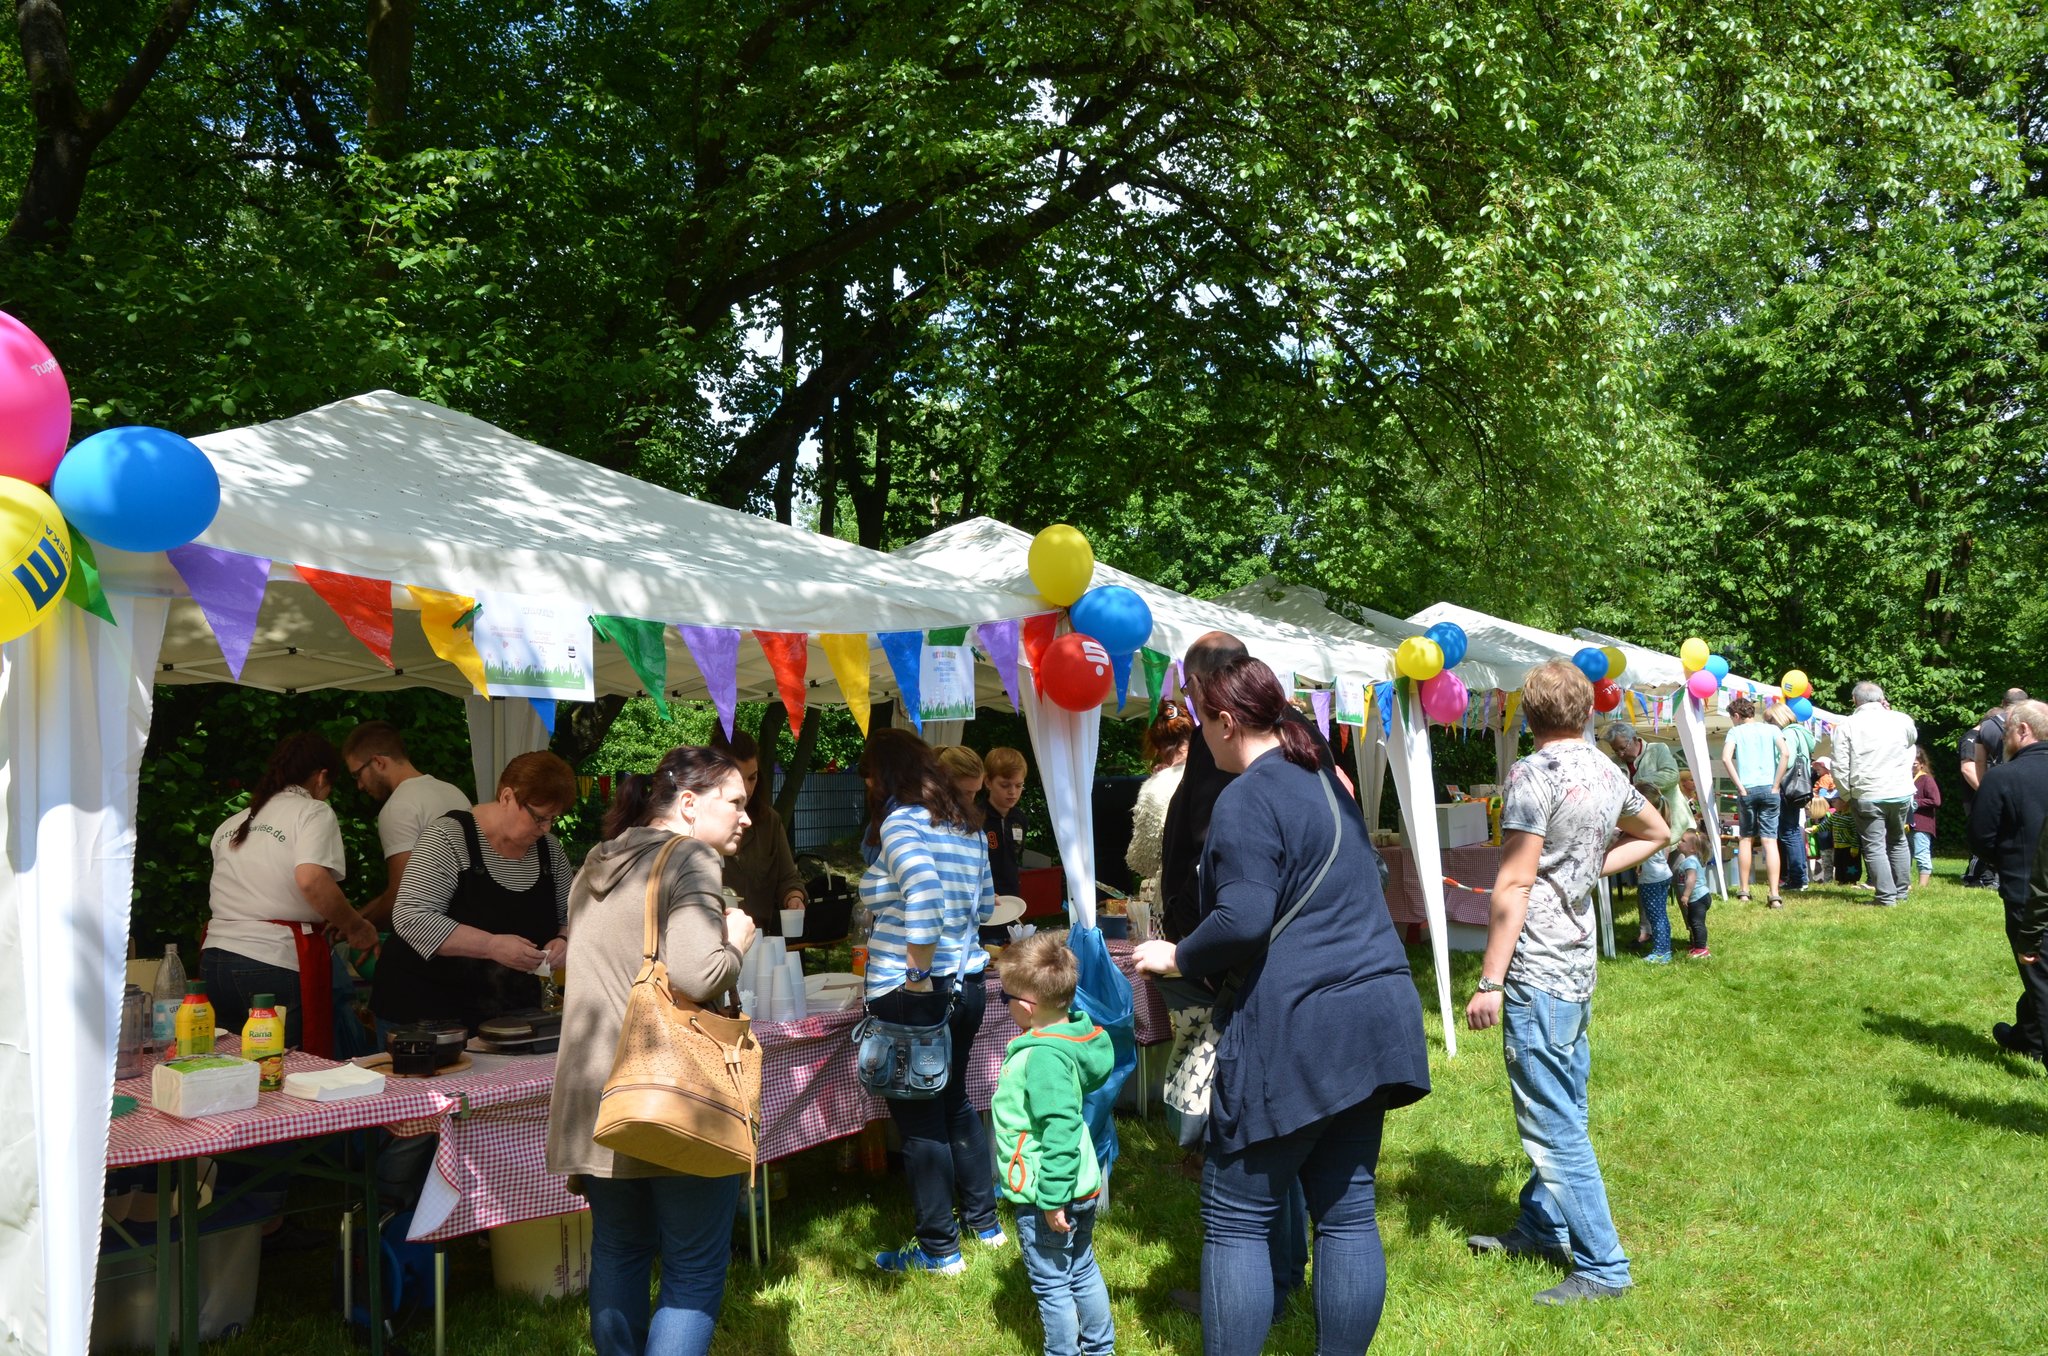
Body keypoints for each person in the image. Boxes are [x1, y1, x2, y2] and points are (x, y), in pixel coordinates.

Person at [1133, 654, 1430, 1352]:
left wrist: (1177, 954)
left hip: (1299, 1028)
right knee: (1348, 1212)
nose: (1197, 734)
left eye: (1201, 720)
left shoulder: (1245, 797)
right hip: (1376, 1017)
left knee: (1235, 1219)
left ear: (1227, 720)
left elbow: (1243, 919)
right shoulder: (1324, 778)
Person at [1463, 659, 1669, 1306]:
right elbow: (1659, 832)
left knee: (1554, 1124)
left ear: (1528, 713)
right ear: (1585, 712)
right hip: (1577, 968)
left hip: (1539, 967)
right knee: (1564, 1104)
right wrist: (1586, 868)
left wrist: (1489, 980)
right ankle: (1540, 1226)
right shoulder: (1608, 769)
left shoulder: (1533, 773)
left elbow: (1517, 882)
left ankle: (1604, 1267)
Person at [546, 746, 761, 1356]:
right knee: (692, 1266)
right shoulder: (690, 858)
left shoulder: (599, 856)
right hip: (672, 1089)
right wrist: (736, 941)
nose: (746, 816)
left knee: (620, 1247)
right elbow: (698, 974)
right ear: (689, 804)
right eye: (736, 802)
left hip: (598, 1090)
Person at [859, 728, 1003, 1274]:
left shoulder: (902, 822)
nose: (869, 785)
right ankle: (984, 1223)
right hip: (967, 983)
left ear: (887, 774)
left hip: (914, 987)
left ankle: (940, 1249)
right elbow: (986, 903)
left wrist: (917, 973)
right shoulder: (965, 826)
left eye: (870, 775)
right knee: (954, 1103)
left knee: (918, 1122)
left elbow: (923, 894)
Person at [371, 751, 576, 1034]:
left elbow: (571, 915)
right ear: (507, 797)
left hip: (506, 1014)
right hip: (424, 1013)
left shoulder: (550, 852)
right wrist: (492, 946)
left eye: (553, 818)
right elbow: (411, 917)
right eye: (539, 818)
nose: (546, 828)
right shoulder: (448, 838)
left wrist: (563, 939)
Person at [203, 732, 379, 1055]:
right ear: (322, 776)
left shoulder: (233, 822)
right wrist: (357, 927)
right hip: (270, 964)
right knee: (285, 1072)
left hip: (215, 959)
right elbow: (311, 879)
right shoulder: (311, 812)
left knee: (233, 1069)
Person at [991, 931, 1116, 1356]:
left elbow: (1060, 1127)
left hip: (1050, 1188)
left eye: (1005, 997)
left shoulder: (1043, 1056)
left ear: (1026, 1006)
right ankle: (1100, 1349)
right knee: (1081, 1266)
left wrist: (1050, 1198)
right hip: (1079, 1182)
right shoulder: (1069, 1039)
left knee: (1052, 1283)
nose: (1004, 1004)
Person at [1966, 700, 2048, 1063]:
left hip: (2027, 891)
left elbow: (1981, 838)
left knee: (2040, 975)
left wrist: (2008, 863)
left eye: (2009, 731)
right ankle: (2026, 1038)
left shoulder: (2003, 776)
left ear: (2023, 730)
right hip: (2028, 886)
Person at [342, 721, 471, 929]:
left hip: (433, 931)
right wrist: (358, 916)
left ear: (378, 762)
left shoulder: (398, 807)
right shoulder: (453, 792)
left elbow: (401, 895)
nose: (359, 785)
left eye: (357, 774)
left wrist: (360, 931)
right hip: (469, 923)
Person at [1604, 722, 1690, 961]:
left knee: (1683, 882)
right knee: (1648, 886)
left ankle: (1694, 934)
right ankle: (1647, 933)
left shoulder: (1658, 749)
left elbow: (1671, 776)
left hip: (1674, 826)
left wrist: (1634, 786)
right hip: (1642, 831)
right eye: (1616, 750)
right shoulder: (1614, 762)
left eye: (1622, 748)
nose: (1620, 754)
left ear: (1634, 739)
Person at [709, 731, 807, 936]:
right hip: (712, 941)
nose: (745, 788)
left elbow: (788, 878)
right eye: (736, 778)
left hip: (760, 940)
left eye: (752, 778)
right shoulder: (699, 822)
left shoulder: (769, 821)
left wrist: (794, 897)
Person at [1833, 681, 1919, 907]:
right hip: (1900, 791)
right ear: (1882, 698)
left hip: (1867, 792)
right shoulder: (1902, 719)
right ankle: (1901, 892)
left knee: (1874, 845)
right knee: (1898, 839)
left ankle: (1886, 896)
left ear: (1855, 700)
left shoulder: (1847, 724)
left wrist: (1846, 794)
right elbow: (1911, 741)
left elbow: (1840, 765)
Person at [1719, 696, 1787, 907]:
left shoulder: (1735, 732)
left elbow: (1725, 758)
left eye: (1732, 718)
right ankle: (1774, 894)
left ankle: (1744, 891)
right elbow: (1785, 753)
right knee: (1769, 840)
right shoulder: (1772, 729)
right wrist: (1776, 784)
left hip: (1747, 789)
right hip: (1770, 788)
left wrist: (1739, 786)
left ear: (1737, 716)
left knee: (1745, 839)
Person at [1126, 701, 1194, 909]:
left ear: (1157, 747)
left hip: (1178, 900)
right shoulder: (1220, 772)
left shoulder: (1154, 787)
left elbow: (1141, 860)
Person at [1765, 704, 1816, 892]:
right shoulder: (1803, 733)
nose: (1769, 724)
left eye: (1770, 720)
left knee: (1788, 832)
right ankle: (1800, 877)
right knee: (1793, 830)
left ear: (1779, 718)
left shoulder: (1788, 734)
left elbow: (1788, 759)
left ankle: (1797, 878)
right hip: (1800, 788)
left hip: (1788, 787)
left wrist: (1775, 781)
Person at [983, 746, 1031, 896]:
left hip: (1012, 896)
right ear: (988, 782)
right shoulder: (976, 817)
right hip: (984, 896)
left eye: (1019, 786)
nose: (1013, 792)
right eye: (1005, 785)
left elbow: (1016, 857)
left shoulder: (1020, 819)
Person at [1673, 830, 1713, 958]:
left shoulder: (1689, 862)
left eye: (1683, 841)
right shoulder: (1693, 859)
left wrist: (1685, 895)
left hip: (1698, 898)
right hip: (1699, 897)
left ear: (1692, 848)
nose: (1679, 842)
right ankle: (1696, 945)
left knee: (1697, 923)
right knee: (1692, 921)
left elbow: (1691, 879)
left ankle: (1701, 949)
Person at [1911, 747, 1942, 888]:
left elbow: (1936, 800)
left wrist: (1916, 802)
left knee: (1921, 853)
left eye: (1915, 763)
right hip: (1907, 824)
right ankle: (1904, 883)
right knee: (1905, 855)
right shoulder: (1906, 779)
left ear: (1922, 764)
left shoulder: (1926, 779)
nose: (1911, 766)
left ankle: (1922, 886)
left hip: (1921, 824)